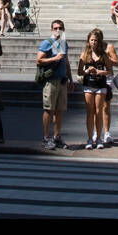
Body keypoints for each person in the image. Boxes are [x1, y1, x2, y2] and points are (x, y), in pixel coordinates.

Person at [37, 18, 72, 149]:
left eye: (61, 28)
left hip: (62, 80)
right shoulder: (47, 43)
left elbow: (66, 62)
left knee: (60, 110)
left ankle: (57, 136)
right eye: (56, 28)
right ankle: (46, 137)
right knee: (48, 109)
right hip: (51, 80)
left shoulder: (64, 43)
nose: (58, 30)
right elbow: (38, 60)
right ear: (52, 30)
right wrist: (54, 58)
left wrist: (71, 79)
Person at [78, 29, 113, 149]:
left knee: (99, 112)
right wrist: (87, 71)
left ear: (99, 42)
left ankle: (98, 138)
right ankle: (89, 138)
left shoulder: (103, 55)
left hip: (100, 85)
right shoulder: (84, 54)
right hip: (88, 84)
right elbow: (79, 71)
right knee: (90, 111)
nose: (94, 42)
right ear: (88, 41)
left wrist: (99, 71)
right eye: (92, 40)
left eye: (96, 40)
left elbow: (109, 70)